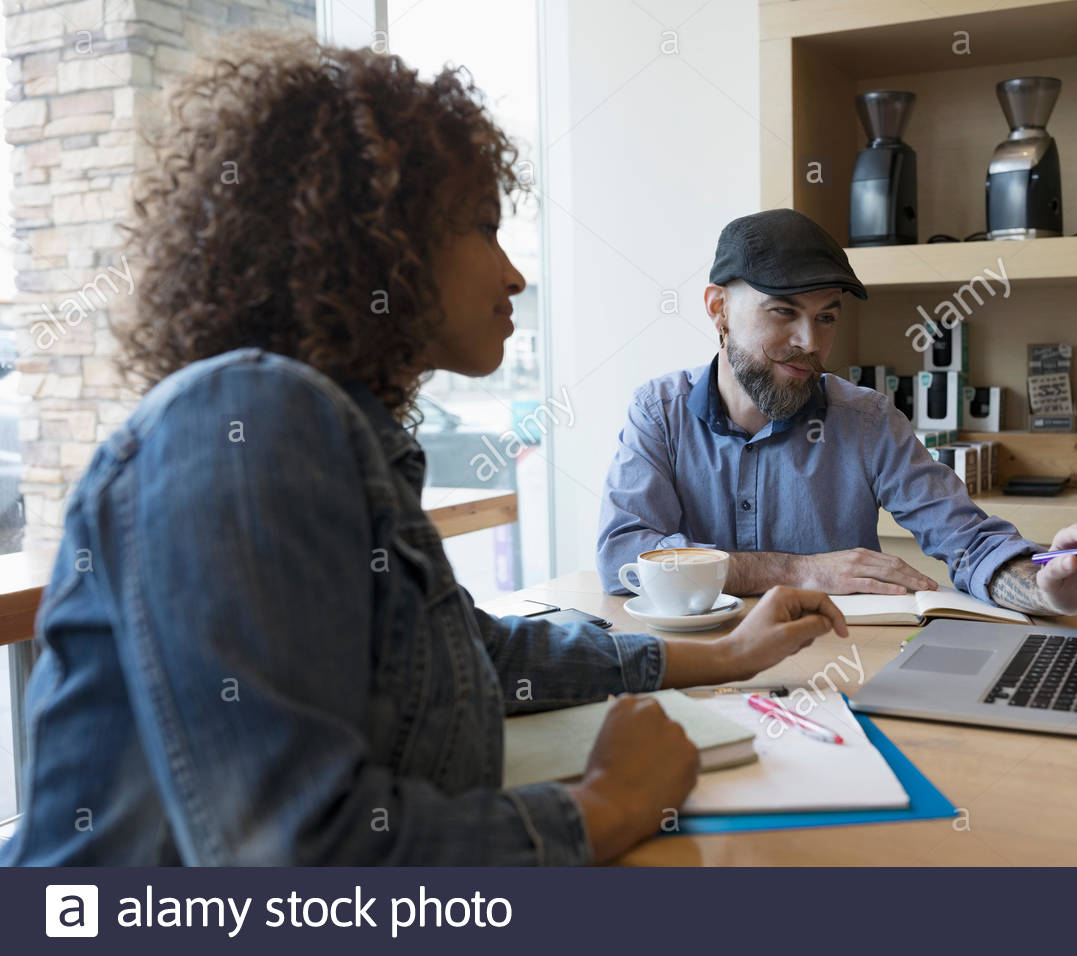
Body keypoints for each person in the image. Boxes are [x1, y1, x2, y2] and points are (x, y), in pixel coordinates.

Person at [0, 38, 849, 868]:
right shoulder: (247, 418)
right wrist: (603, 808)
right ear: (372, 241)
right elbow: (293, 861)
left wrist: (725, 654)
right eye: (483, 227)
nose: (515, 275)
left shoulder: (336, 432)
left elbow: (480, 652)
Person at [595, 209, 1077, 617]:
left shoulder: (868, 420)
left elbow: (969, 544)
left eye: (826, 317)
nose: (810, 341)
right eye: (783, 312)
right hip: (696, 672)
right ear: (719, 309)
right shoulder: (659, 412)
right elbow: (624, 557)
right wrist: (796, 572)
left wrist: (1046, 586)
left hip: (835, 673)